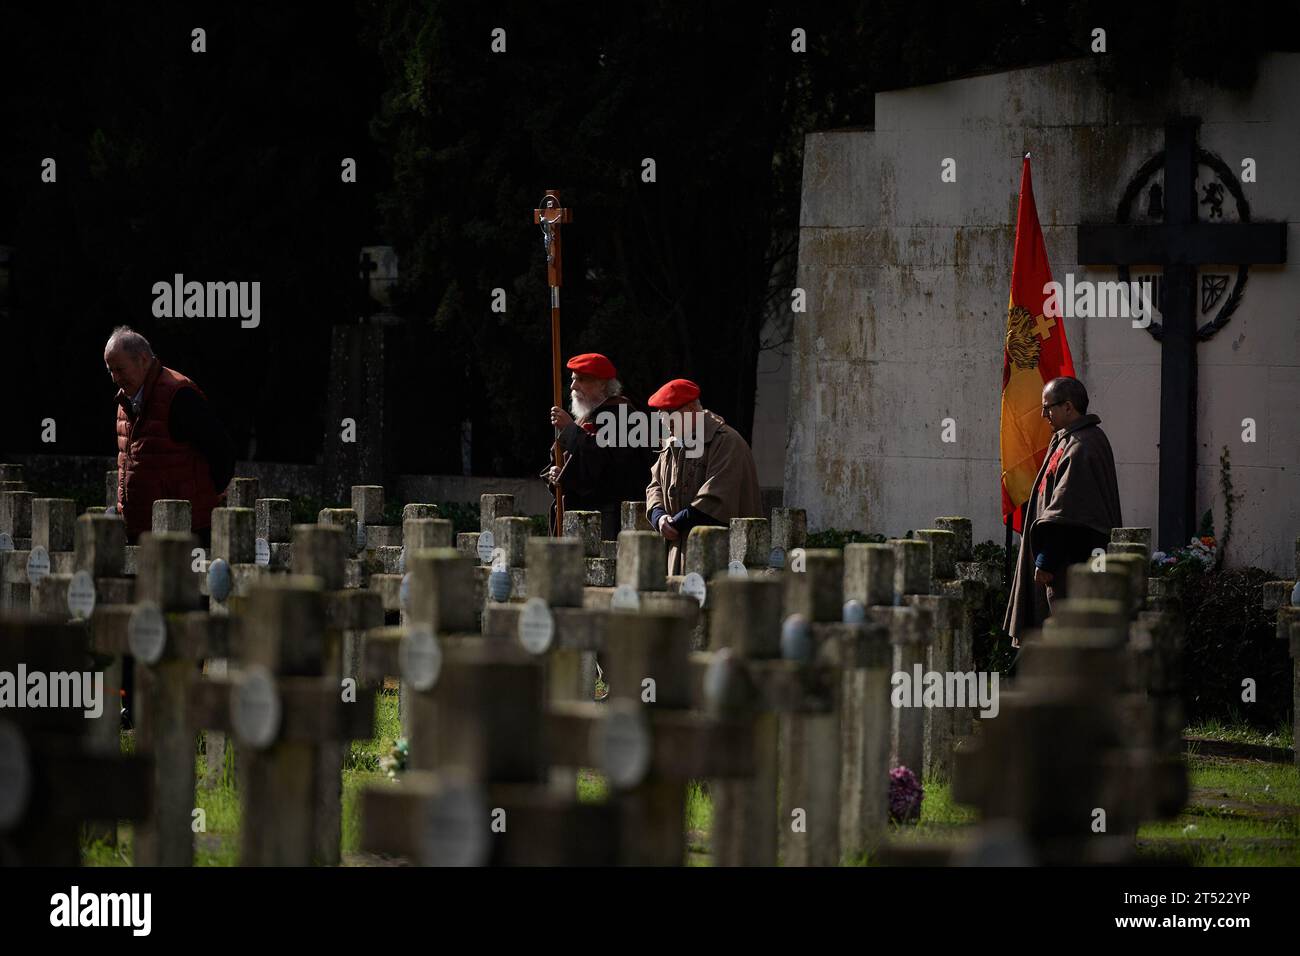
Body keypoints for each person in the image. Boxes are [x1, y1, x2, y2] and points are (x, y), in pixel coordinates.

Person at [1003, 376, 1122, 647]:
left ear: (1068, 407)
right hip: (1063, 560)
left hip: (1069, 563)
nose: (1044, 414)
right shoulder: (1068, 439)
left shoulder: (1083, 445)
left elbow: (1068, 512)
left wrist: (1045, 560)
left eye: (1049, 408)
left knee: (1063, 640)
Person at [104, 326, 235, 546]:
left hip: (184, 531)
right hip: (141, 531)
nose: (115, 378)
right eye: (110, 371)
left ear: (143, 359)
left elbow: (222, 450)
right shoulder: (124, 401)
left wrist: (198, 499)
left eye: (119, 369)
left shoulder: (178, 394)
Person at [645, 378, 762, 576]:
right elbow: (654, 485)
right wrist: (659, 517)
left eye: (670, 415)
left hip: (720, 554)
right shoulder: (673, 443)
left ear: (691, 409)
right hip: (678, 551)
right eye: (661, 415)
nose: (665, 422)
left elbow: (717, 495)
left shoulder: (725, 442)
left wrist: (676, 523)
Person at [542, 353, 654, 539]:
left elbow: (604, 461)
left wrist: (570, 431)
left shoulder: (624, 416)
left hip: (607, 518)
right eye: (573, 379)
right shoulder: (584, 418)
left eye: (581, 380)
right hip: (576, 514)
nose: (573, 386)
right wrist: (557, 472)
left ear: (603, 384)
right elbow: (573, 460)